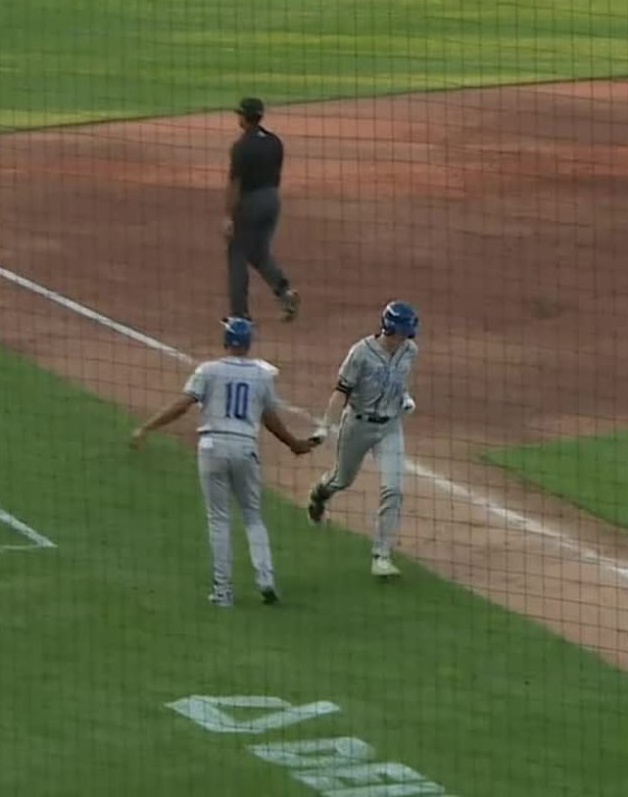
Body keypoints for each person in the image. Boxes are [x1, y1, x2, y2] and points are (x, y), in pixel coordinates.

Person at [132, 317, 314, 606]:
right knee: (253, 516)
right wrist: (294, 444)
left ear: (225, 341)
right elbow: (271, 419)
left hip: (211, 448)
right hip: (245, 448)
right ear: (249, 343)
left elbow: (182, 405)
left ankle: (223, 592)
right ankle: (265, 578)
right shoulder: (261, 375)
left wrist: (147, 427)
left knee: (218, 519)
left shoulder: (208, 370)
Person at [306, 301, 420, 578]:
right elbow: (341, 392)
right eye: (401, 332)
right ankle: (319, 495)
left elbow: (401, 381)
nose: (404, 338)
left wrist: (404, 397)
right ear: (388, 328)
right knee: (342, 479)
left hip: (391, 427)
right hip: (357, 425)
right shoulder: (361, 353)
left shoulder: (410, 351)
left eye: (408, 333)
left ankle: (381, 555)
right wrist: (326, 427)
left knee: (393, 489)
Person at [225, 97, 301, 323]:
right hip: (272, 200)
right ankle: (284, 292)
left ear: (244, 118)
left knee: (237, 255)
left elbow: (235, 184)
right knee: (258, 252)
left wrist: (229, 217)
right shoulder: (274, 142)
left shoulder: (241, 147)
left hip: (250, 202)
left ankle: (239, 315)